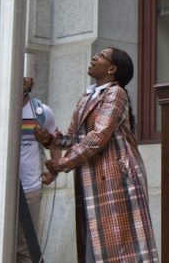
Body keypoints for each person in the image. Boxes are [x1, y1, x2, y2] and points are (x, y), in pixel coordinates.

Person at [34, 47, 158, 263]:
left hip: (116, 179)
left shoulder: (116, 93)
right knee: (95, 244)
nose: (94, 57)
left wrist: (62, 163)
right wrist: (50, 139)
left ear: (111, 69)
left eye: (101, 56)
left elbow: (98, 137)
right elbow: (74, 137)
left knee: (119, 249)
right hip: (92, 179)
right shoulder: (87, 96)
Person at [0, 69, 59, 263]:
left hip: (30, 188)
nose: (22, 78)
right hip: (0, 189)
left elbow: (55, 141)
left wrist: (53, 171)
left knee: (25, 246)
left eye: (27, 74)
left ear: (32, 82)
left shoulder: (42, 112)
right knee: (0, 240)